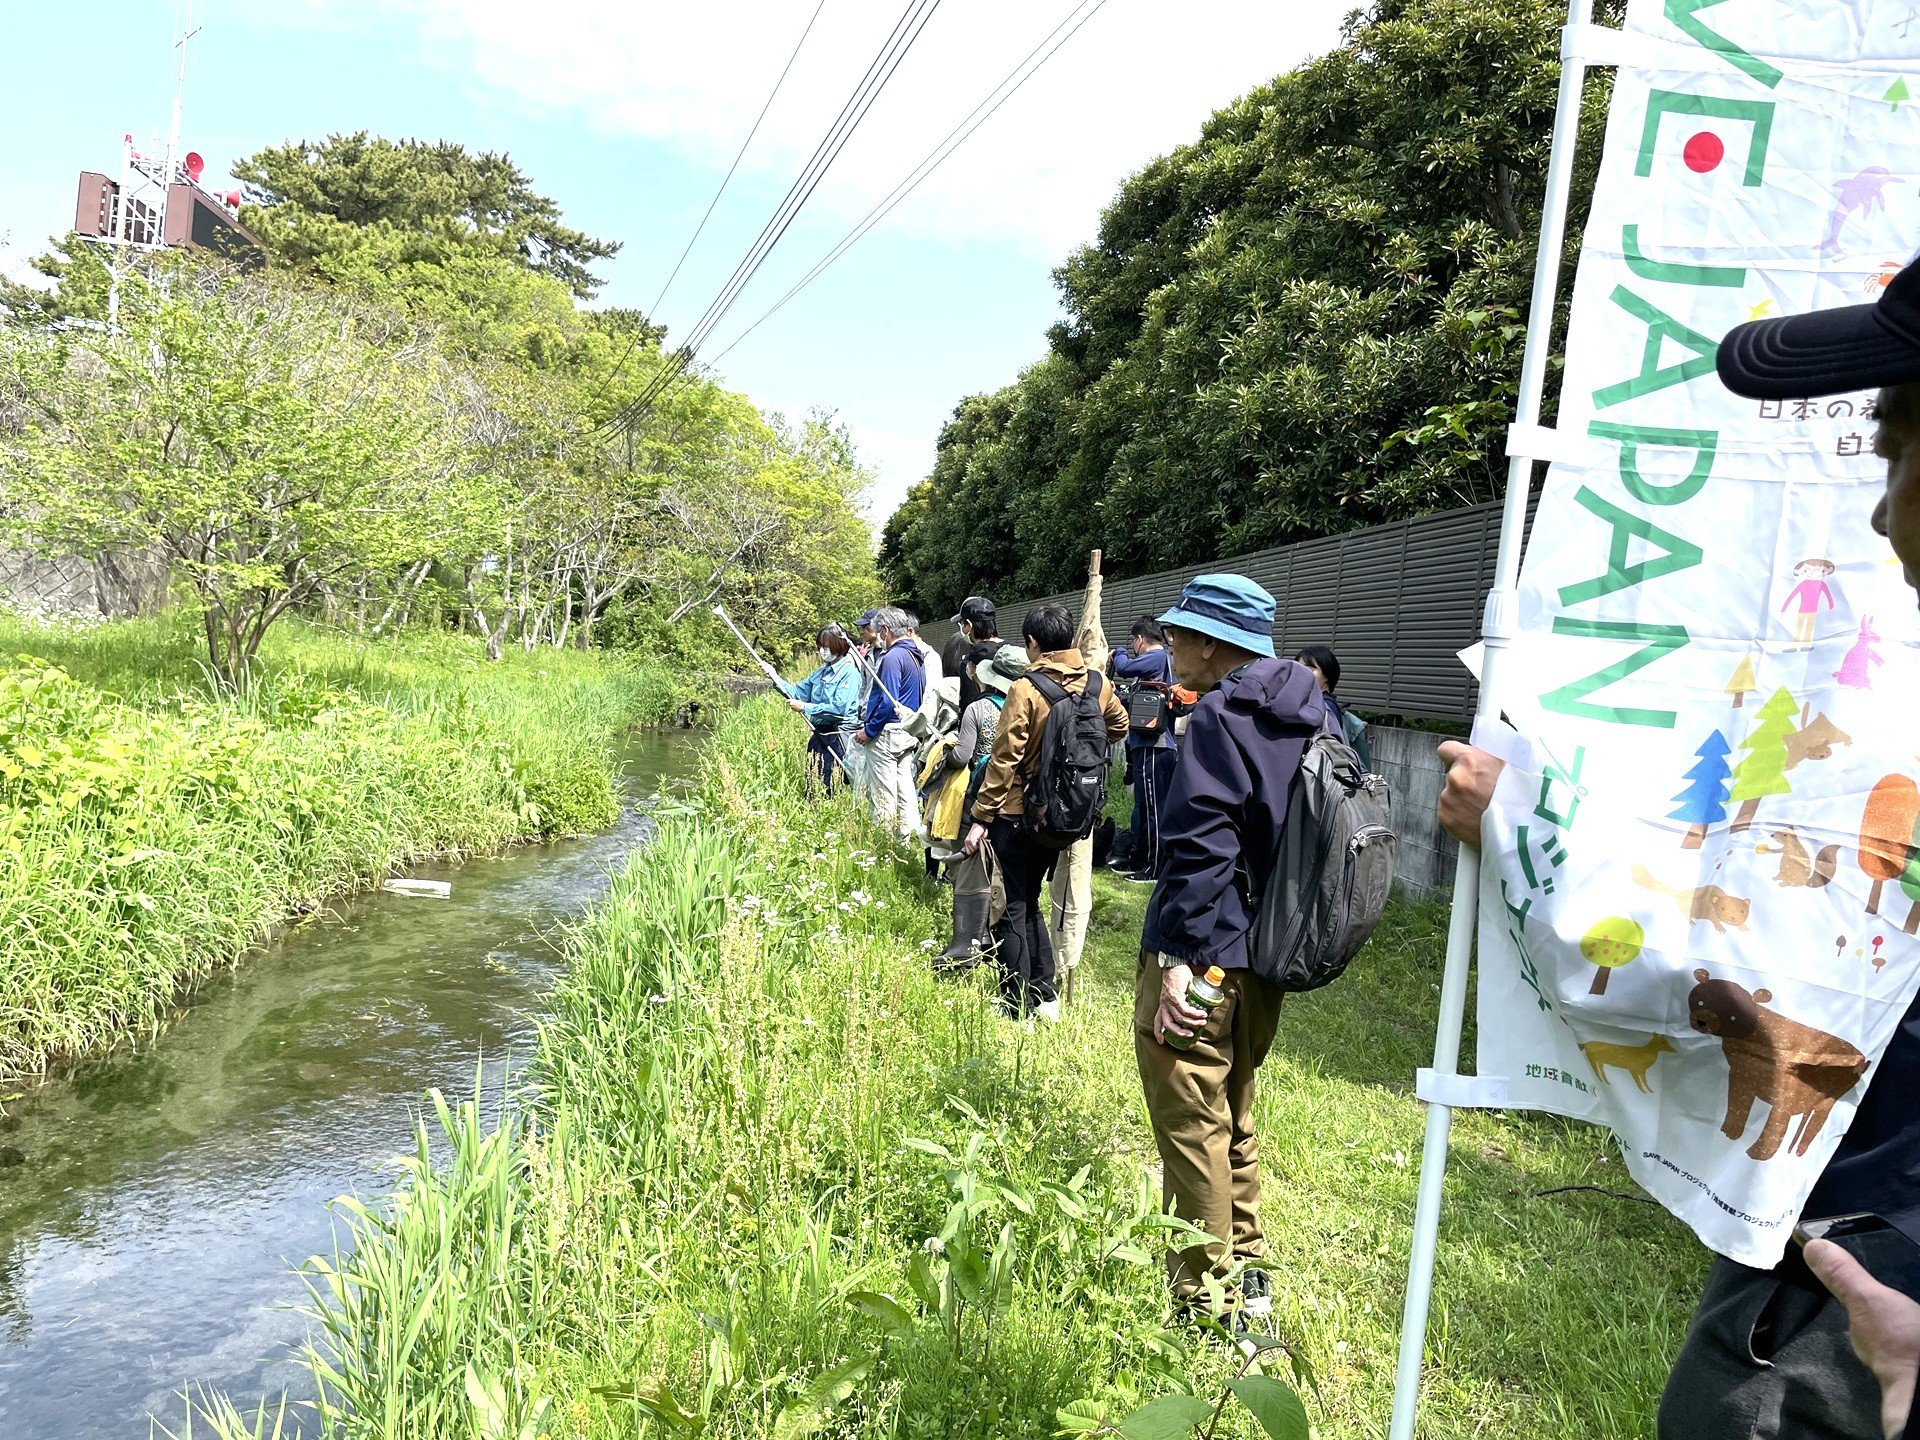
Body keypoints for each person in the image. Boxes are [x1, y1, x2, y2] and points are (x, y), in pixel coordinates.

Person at [1434, 258, 1920, 1440]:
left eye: (1896, 444)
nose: (1877, 506)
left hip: (1849, 1312)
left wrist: (1530, 827)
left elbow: (1738, 974)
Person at [1132, 573, 1322, 1325]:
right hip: (1269, 955)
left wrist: (1175, 959)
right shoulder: (1319, 714)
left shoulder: (1219, 717)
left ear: (1210, 643)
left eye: (1178, 633)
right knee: (1233, 1110)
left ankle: (1204, 1301)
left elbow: (1200, 848)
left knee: (1189, 1116)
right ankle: (1248, 1274)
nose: (1169, 643)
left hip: (1206, 949)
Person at [964, 605, 1128, 1020]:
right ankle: (1045, 993)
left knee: (1011, 904)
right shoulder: (1097, 684)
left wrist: (982, 817)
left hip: (1019, 813)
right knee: (1030, 898)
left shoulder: (1026, 688)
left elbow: (1005, 758)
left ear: (1033, 643)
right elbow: (1121, 726)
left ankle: (1015, 1002)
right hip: (1067, 814)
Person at [935, 641, 1024, 968]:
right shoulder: (1026, 705)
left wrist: (943, 749)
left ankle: (971, 935)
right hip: (1015, 798)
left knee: (972, 864)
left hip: (981, 795)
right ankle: (998, 934)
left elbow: (962, 756)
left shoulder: (978, 709)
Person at [1110, 617, 1180, 881]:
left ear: (1140, 639)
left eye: (1132, 642)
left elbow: (1124, 666)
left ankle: (1155, 867)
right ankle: (1138, 858)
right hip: (1146, 745)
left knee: (1153, 809)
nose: (1131, 646)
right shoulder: (1155, 668)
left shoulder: (1157, 657)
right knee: (1142, 806)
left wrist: (1118, 652)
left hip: (1156, 747)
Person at [854, 607, 925, 843]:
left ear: (885, 630)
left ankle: (883, 844)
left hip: (886, 733)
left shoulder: (893, 657)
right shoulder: (916, 655)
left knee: (883, 794)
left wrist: (869, 730)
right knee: (905, 790)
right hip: (907, 731)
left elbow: (887, 700)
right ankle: (905, 840)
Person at [781, 624, 861, 792]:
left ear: (838, 646)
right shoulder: (821, 672)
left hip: (838, 736)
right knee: (812, 778)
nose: (823, 651)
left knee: (828, 783)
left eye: (827, 647)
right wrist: (774, 676)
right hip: (819, 732)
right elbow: (798, 692)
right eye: (821, 647)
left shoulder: (849, 673)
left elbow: (839, 708)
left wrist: (805, 708)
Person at [1294, 644, 1372, 771]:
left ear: (1327, 676)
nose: (1302, 672)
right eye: (1298, 668)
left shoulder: (1324, 708)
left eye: (1310, 668)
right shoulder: (1315, 704)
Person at [950, 597, 1000, 711]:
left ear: (969, 624)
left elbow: (969, 701)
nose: (962, 628)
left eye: (962, 624)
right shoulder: (1009, 650)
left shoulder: (973, 659)